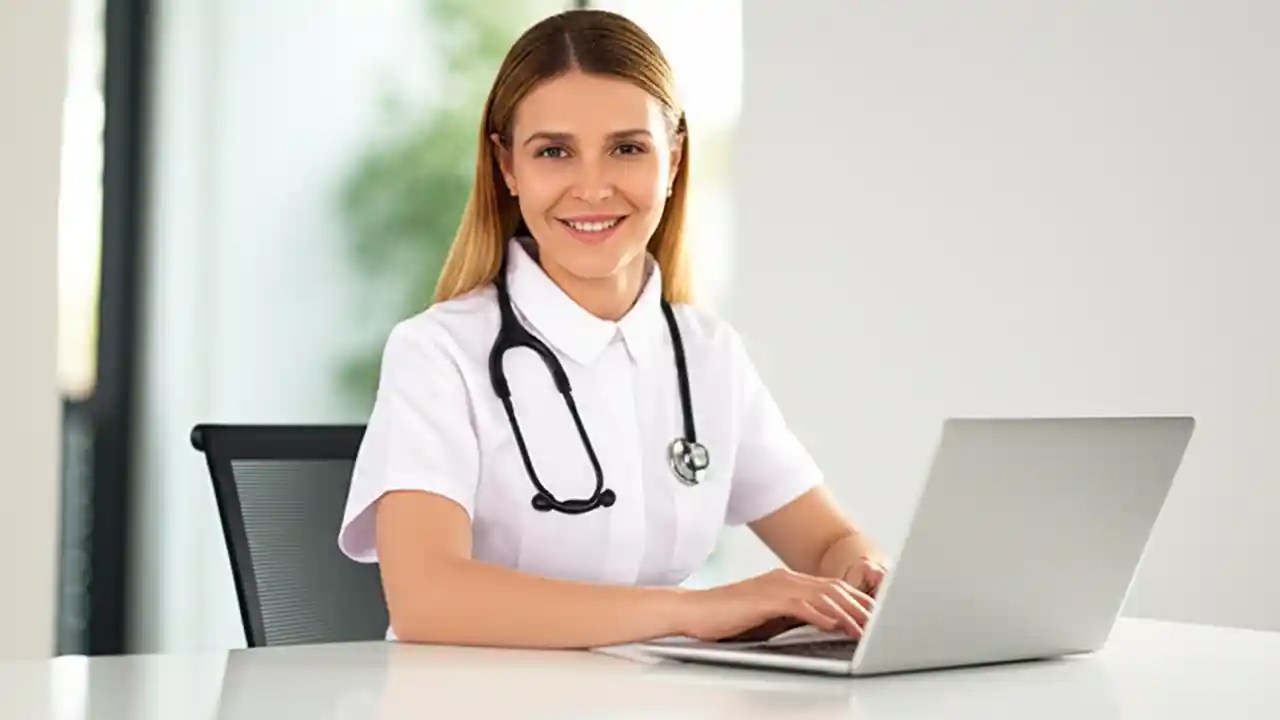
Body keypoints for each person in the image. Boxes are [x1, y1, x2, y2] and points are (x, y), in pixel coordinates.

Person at [337, 9, 890, 649]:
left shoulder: (708, 355)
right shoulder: (439, 352)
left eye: (627, 148)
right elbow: (428, 601)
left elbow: (826, 541)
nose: (593, 188)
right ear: (507, 167)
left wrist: (862, 577)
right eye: (554, 152)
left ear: (674, 158)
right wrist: (693, 610)